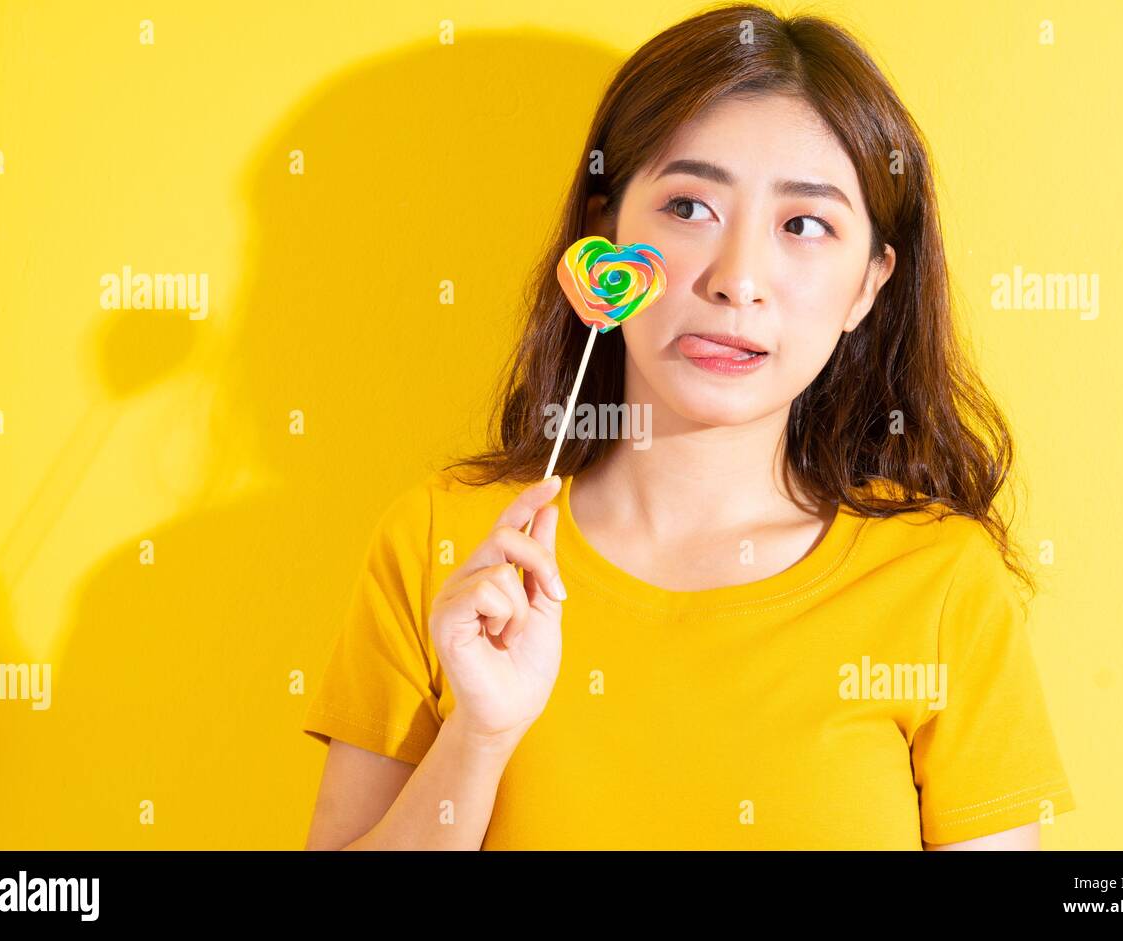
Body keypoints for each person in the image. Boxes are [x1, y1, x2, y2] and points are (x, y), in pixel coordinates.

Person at [301, 3, 1076, 850]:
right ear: (602, 238)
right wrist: (479, 735)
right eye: (689, 207)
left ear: (867, 285)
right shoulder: (444, 545)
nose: (737, 279)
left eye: (804, 224)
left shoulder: (941, 584)